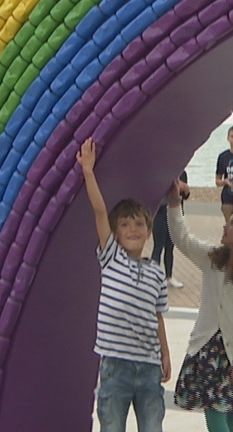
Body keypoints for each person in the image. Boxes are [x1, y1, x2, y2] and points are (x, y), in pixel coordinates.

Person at [77, 139, 170, 432]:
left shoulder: (156, 272)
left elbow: (158, 316)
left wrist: (165, 353)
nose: (133, 229)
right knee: (112, 426)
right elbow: (100, 212)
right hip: (115, 366)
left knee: (152, 426)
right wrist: (88, 171)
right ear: (115, 234)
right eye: (126, 225)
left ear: (149, 231)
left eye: (139, 224)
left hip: (149, 366)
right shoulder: (111, 257)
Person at [166, 185, 233, 432]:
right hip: (208, 349)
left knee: (232, 412)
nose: (226, 226)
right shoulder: (213, 258)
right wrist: (174, 203)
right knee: (214, 409)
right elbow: (182, 238)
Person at [152, 171, 189, 289]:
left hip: (174, 213)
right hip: (160, 213)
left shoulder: (182, 173)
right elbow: (155, 194)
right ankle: (153, 277)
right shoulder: (161, 173)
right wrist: (172, 185)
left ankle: (169, 277)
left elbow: (184, 197)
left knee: (170, 247)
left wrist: (185, 190)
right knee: (158, 246)